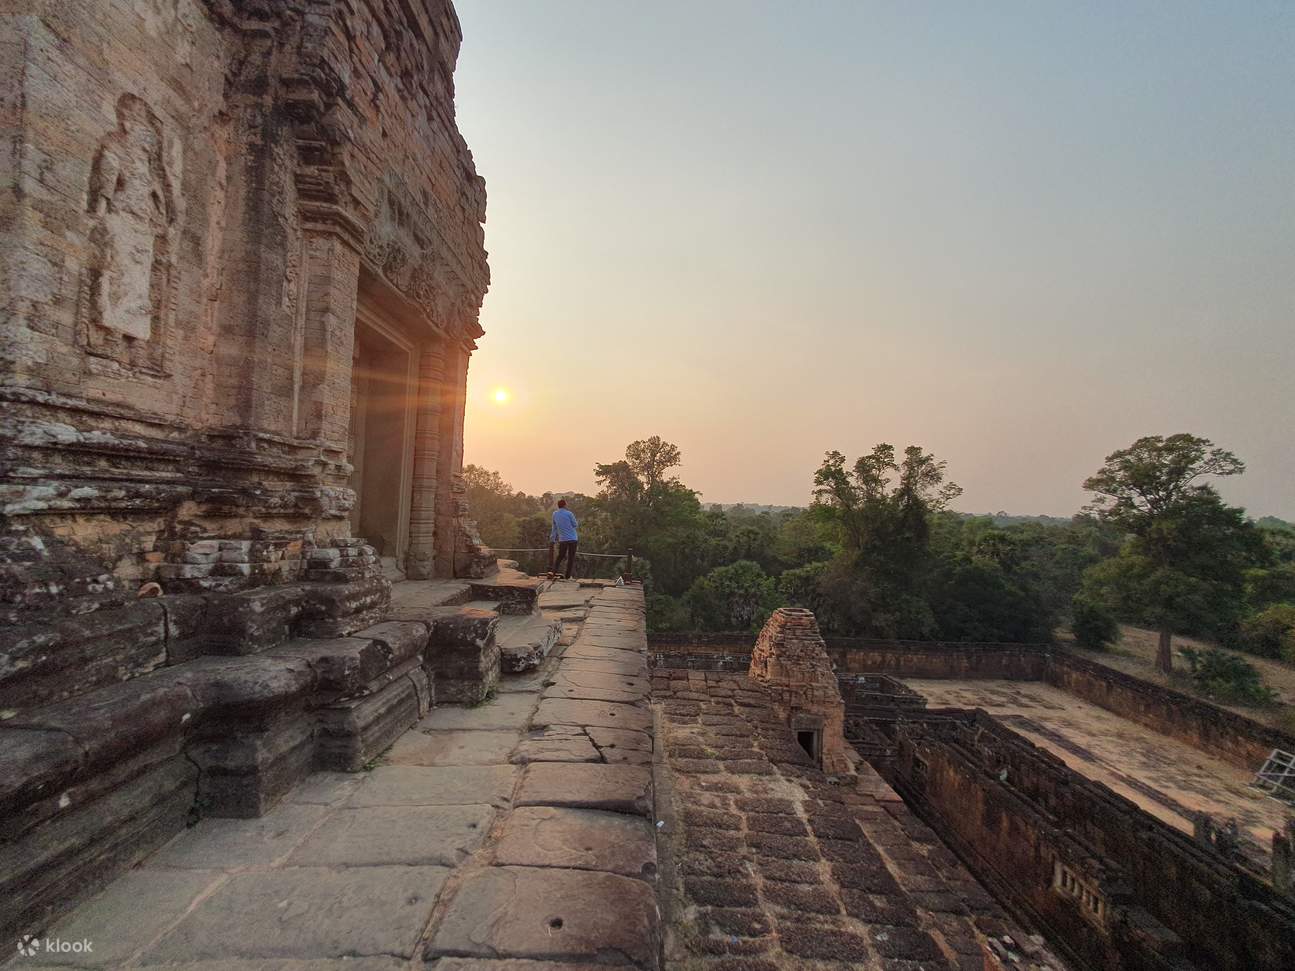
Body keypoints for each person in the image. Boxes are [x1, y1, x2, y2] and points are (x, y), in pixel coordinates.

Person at [550, 499, 579, 579]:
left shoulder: (555, 514)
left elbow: (554, 527)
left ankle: (553, 572)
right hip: (573, 538)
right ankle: (567, 576)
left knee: (560, 556)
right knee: (571, 557)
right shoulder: (569, 513)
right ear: (565, 505)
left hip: (563, 539)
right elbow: (575, 525)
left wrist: (552, 538)